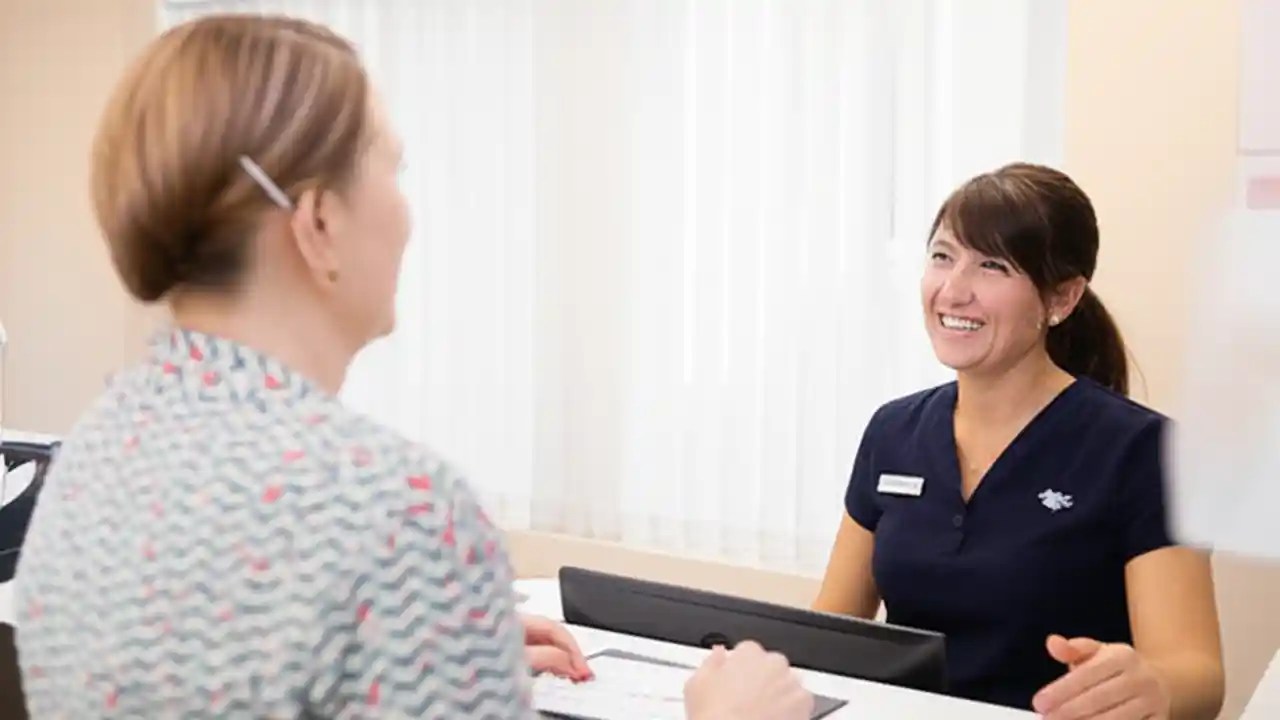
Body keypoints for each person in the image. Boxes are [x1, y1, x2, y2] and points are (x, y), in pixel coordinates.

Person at [12, 15, 814, 720]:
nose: (406, 213)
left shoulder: (90, 459)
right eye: (392, 170)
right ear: (319, 222)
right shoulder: (395, 514)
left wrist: (441, 658)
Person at [813, 163, 1225, 719]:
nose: (953, 290)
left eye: (992, 266)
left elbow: (1196, 673)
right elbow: (828, 635)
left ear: (1063, 297)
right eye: (942, 256)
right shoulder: (893, 432)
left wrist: (1154, 687)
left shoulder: (1147, 451)